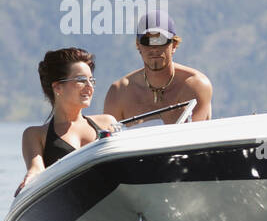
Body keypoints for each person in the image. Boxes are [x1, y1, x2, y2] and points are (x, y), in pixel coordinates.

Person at [16, 48, 121, 195]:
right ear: (57, 87)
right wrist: (30, 178)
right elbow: (36, 169)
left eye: (91, 80)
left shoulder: (107, 123)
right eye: (81, 80)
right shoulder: (35, 135)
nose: (89, 87)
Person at [102, 11, 213, 125]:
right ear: (138, 45)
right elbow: (108, 138)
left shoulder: (195, 85)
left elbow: (193, 137)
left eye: (161, 40)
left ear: (173, 45)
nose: (154, 48)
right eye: (147, 41)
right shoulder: (119, 93)